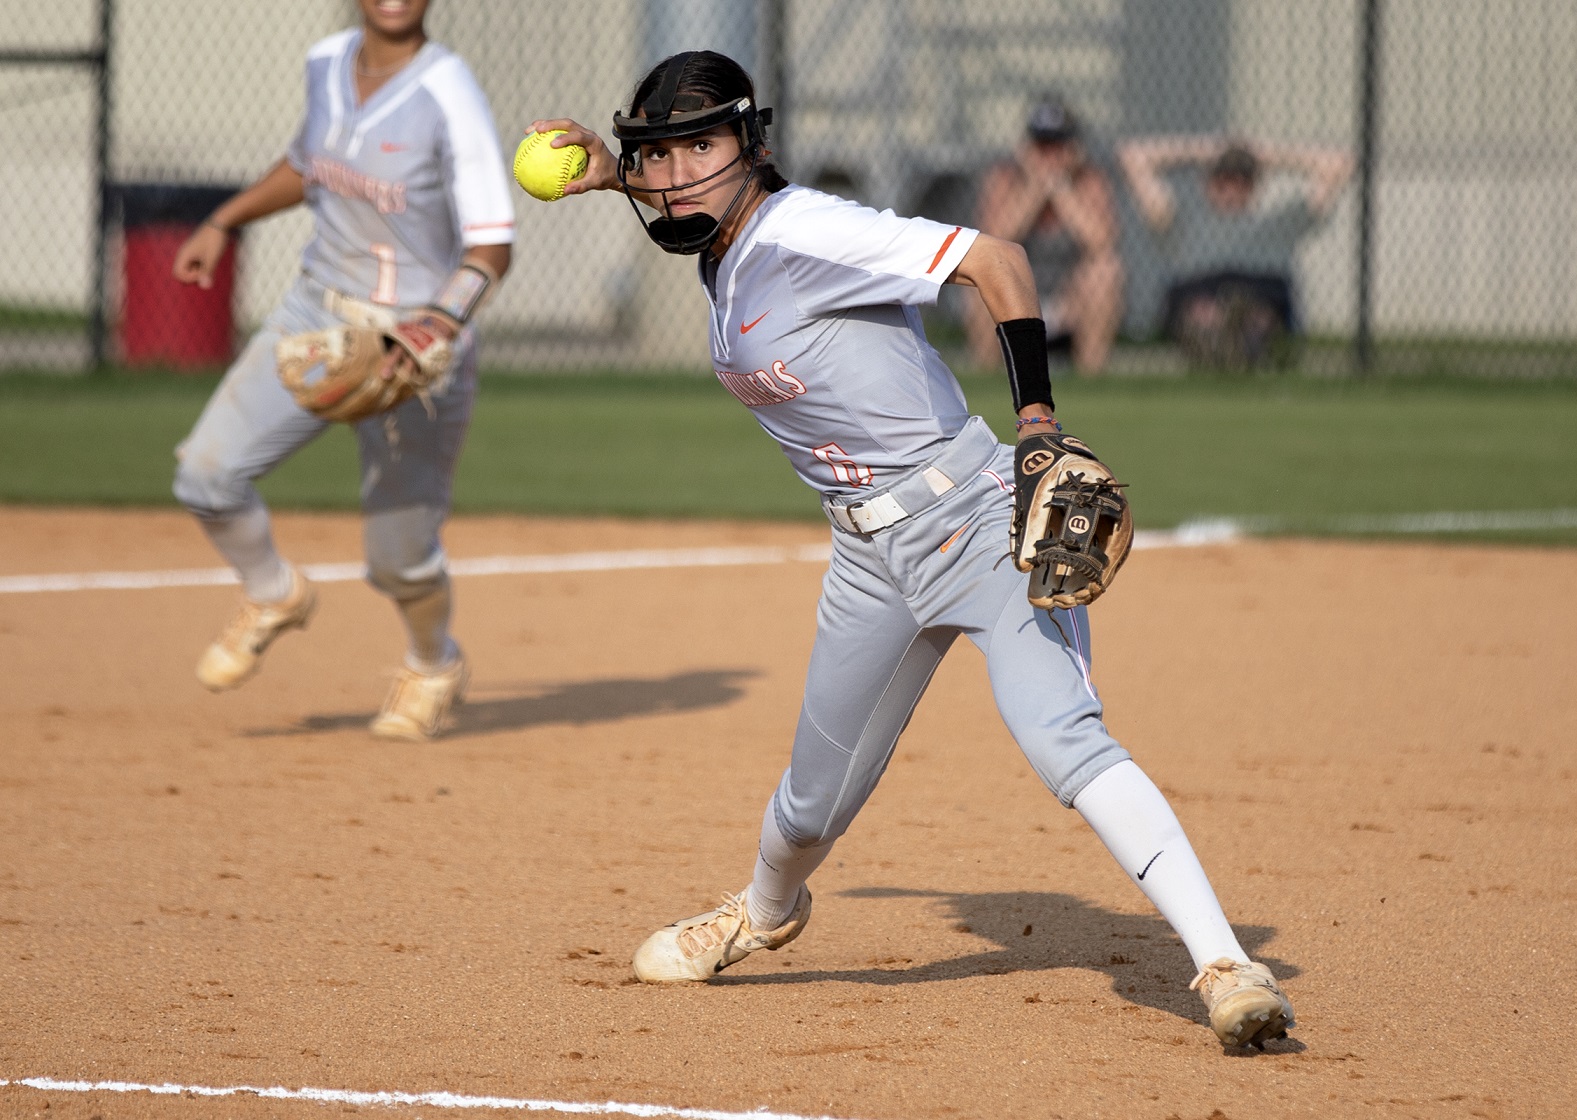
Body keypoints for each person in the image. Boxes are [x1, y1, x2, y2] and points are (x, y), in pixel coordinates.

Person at [529, 50, 1294, 1048]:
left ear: (751, 146)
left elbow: (999, 261)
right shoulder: (724, 239)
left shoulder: (808, 229)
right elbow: (687, 195)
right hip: (868, 562)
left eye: (698, 147)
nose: (673, 174)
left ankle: (1226, 965)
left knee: (1063, 739)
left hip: (976, 522)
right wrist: (609, 176)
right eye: (656, 155)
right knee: (810, 806)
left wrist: (1036, 425)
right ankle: (762, 912)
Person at [170, 0, 514, 740]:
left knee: (399, 559)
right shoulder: (325, 63)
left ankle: (433, 664)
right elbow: (308, 166)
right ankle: (274, 592)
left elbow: (492, 246)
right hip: (313, 314)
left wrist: (436, 324)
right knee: (205, 475)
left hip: (412, 345)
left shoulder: (448, 92)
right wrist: (224, 220)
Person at [1117, 134, 1352, 367]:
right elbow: (1133, 157)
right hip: (1201, 295)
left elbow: (1340, 163)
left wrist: (1261, 155)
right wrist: (1206, 151)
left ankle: (1239, 337)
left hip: (1258, 292)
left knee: (1257, 314)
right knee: (1204, 314)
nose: (1231, 190)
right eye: (1223, 181)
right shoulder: (1179, 221)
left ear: (1255, 186)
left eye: (1242, 182)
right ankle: (1224, 339)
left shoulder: (1275, 224)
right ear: (1206, 183)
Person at [965, 97, 1122, 376]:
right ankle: (986, 375)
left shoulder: (1089, 180)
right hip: (1013, 296)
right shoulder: (1004, 178)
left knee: (1106, 270)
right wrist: (1035, 189)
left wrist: (1060, 189)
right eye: (1042, 145)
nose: (1050, 154)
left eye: (1058, 145)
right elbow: (993, 240)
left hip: (1070, 301)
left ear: (1075, 148)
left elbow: (1101, 242)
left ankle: (1092, 376)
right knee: (978, 276)